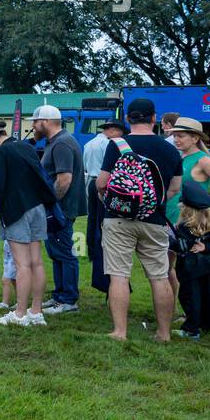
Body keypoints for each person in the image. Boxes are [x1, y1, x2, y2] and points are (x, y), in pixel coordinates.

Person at [95, 97, 183, 343]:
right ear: (154, 118)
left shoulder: (116, 145)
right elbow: (175, 187)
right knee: (159, 275)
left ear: (128, 119)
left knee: (119, 275)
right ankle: (163, 333)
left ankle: (120, 332)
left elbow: (102, 183)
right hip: (155, 219)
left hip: (118, 219)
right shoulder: (170, 148)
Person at [0, 120, 56, 326]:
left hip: (16, 210)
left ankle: (20, 314)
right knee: (36, 262)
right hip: (38, 208)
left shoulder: (0, 153)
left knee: (22, 264)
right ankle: (36, 311)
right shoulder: (27, 147)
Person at [32, 106, 85, 315]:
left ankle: (68, 300)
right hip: (58, 209)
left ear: (46, 121)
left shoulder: (61, 143)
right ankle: (59, 296)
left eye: (35, 122)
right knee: (56, 252)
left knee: (64, 253)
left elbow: (64, 180)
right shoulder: (57, 141)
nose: (33, 126)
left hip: (60, 209)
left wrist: (51, 203)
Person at [171, 180, 210, 340]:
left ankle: (192, 330)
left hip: (190, 270)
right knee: (208, 296)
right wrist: (208, 247)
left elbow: (181, 248)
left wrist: (169, 239)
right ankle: (208, 325)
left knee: (190, 298)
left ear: (186, 210)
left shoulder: (183, 228)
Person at [84, 118, 127, 295]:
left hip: (91, 182)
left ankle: (93, 250)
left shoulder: (89, 144)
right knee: (103, 223)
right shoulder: (110, 145)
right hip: (104, 184)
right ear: (113, 130)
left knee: (93, 222)